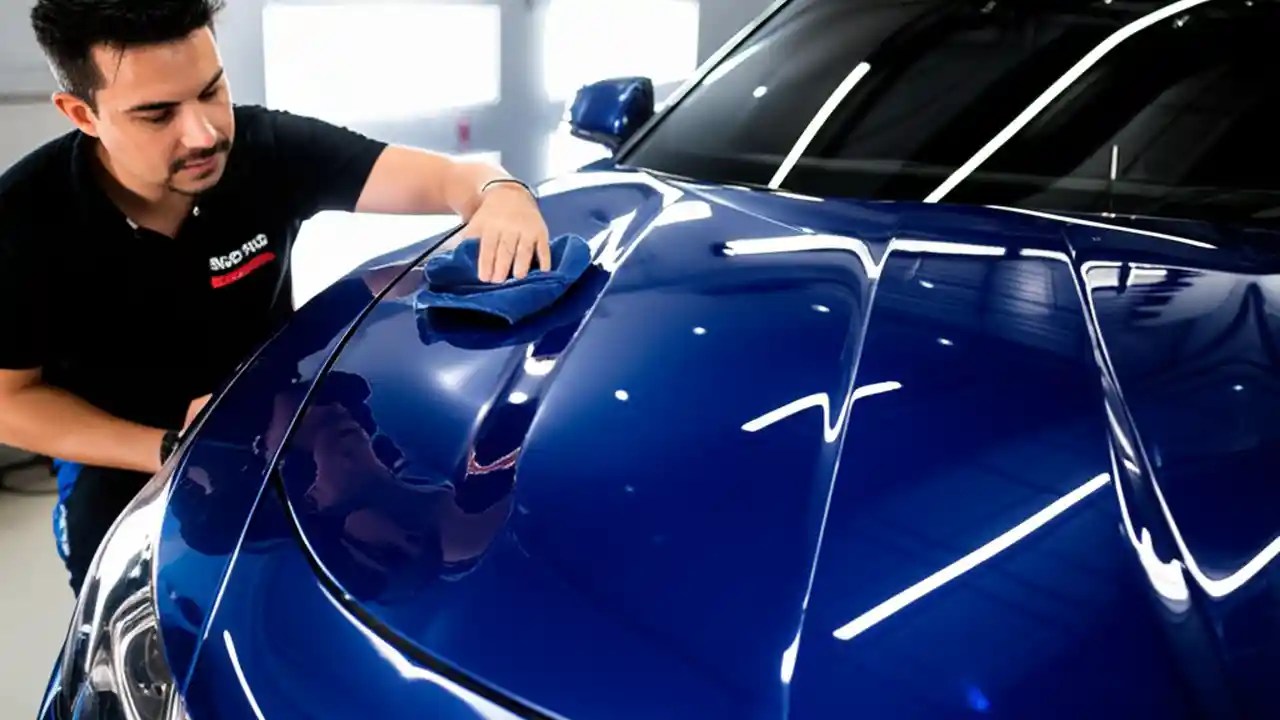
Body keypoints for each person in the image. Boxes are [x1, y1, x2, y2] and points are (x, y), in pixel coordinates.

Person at [0, 0, 552, 593]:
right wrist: (172, 447)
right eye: (157, 115)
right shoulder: (24, 222)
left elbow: (453, 180)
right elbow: (9, 400)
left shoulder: (265, 149)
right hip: (127, 455)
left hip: (286, 426)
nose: (204, 134)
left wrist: (503, 193)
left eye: (211, 91)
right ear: (81, 113)